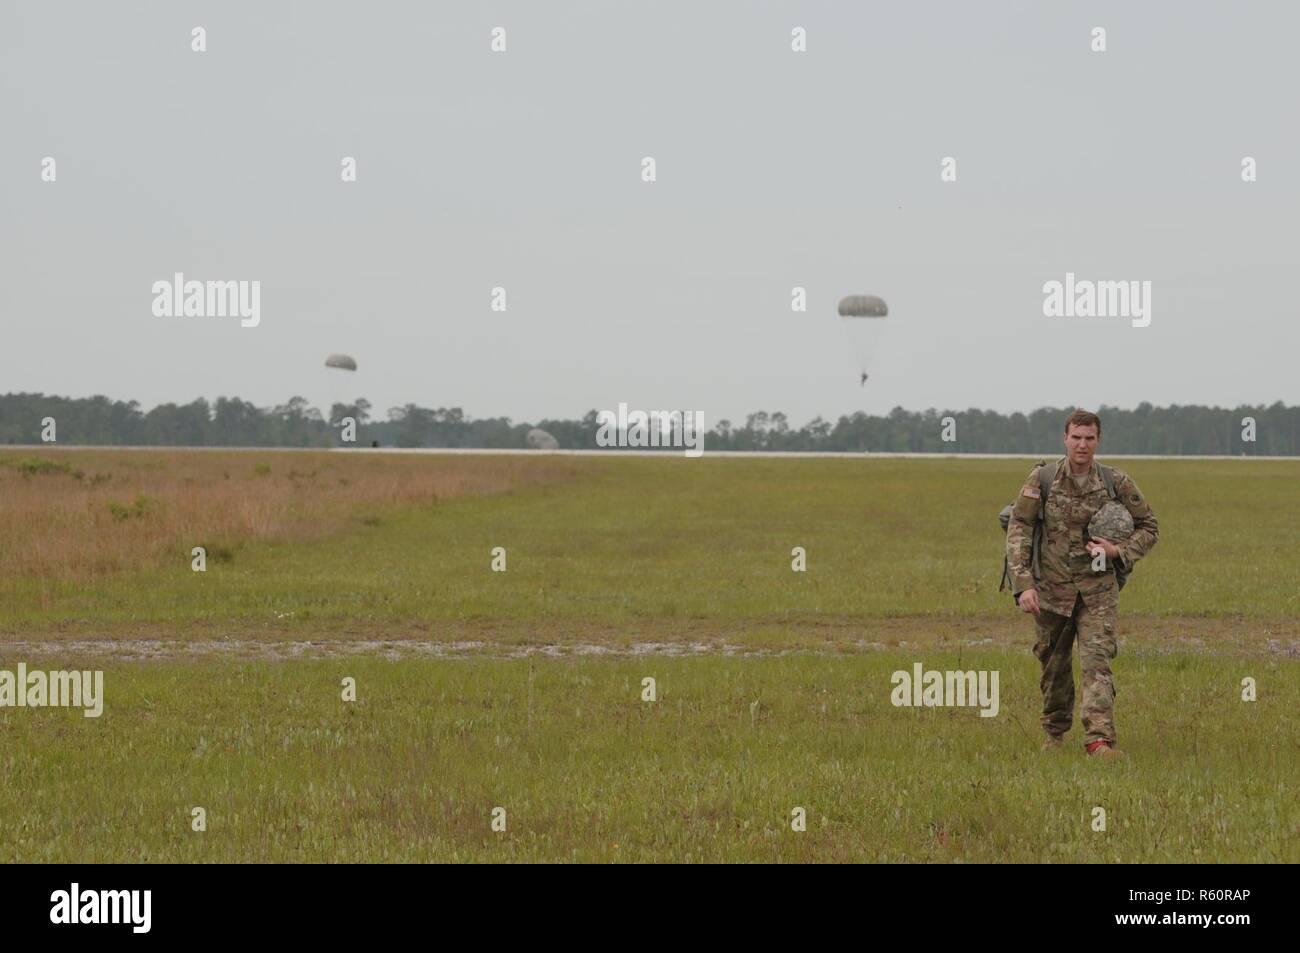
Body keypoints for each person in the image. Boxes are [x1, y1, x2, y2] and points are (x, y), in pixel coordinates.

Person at [1005, 409, 1159, 758]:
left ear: (1098, 441)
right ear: (1065, 438)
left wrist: (1119, 549)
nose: (1082, 444)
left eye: (1089, 438)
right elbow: (1020, 528)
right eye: (1076, 437)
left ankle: (1099, 741)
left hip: (1097, 592)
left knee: (1097, 663)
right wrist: (1023, 583)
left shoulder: (1115, 482)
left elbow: (1149, 527)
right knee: (1053, 666)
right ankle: (1055, 736)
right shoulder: (1042, 479)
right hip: (1050, 591)